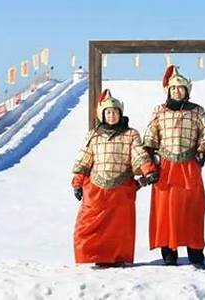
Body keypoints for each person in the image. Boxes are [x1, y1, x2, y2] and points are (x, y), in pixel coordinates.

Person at [71, 89, 157, 268]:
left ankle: (117, 257)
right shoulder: (94, 135)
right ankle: (96, 256)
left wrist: (148, 170)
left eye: (115, 112)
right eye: (108, 112)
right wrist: (77, 182)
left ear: (121, 113)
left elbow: (138, 154)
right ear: (103, 114)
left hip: (121, 187)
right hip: (97, 187)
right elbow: (84, 158)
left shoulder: (130, 134)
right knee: (88, 224)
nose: (112, 115)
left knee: (118, 226)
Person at [143, 65, 205, 270]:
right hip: (165, 167)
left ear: (187, 90)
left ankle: (195, 253)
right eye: (173, 88)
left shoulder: (197, 111)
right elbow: (150, 136)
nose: (177, 91)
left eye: (181, 88)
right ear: (168, 90)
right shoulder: (159, 110)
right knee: (165, 209)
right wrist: (150, 158)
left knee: (191, 208)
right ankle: (169, 252)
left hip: (189, 165)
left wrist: (202, 151)